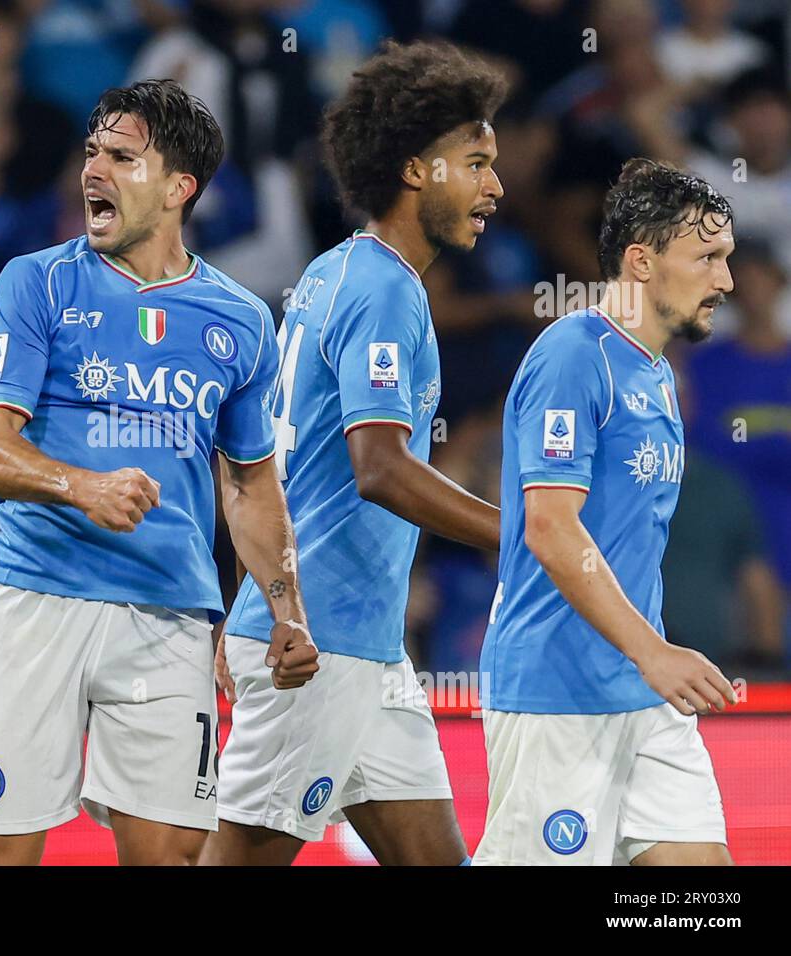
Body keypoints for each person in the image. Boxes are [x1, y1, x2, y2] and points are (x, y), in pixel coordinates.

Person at [0, 78, 318, 866]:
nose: (94, 171)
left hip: (169, 615)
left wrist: (288, 612)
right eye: (91, 152)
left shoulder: (243, 320)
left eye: (121, 156)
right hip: (36, 597)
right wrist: (80, 486)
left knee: (170, 856)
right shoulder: (34, 283)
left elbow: (252, 486)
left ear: (180, 188)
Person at [201, 40, 506, 867]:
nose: (495, 188)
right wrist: (520, 535)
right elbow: (378, 467)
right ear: (416, 169)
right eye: (475, 163)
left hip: (359, 648)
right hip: (319, 647)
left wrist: (247, 611)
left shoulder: (332, 275)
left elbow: (261, 466)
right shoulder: (382, 291)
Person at [476, 158, 739, 866]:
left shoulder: (656, 373)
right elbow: (551, 527)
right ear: (641, 260)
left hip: (643, 695)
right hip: (557, 693)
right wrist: (653, 651)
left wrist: (649, 654)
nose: (726, 281)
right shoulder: (572, 356)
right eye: (707, 258)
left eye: (728, 259)